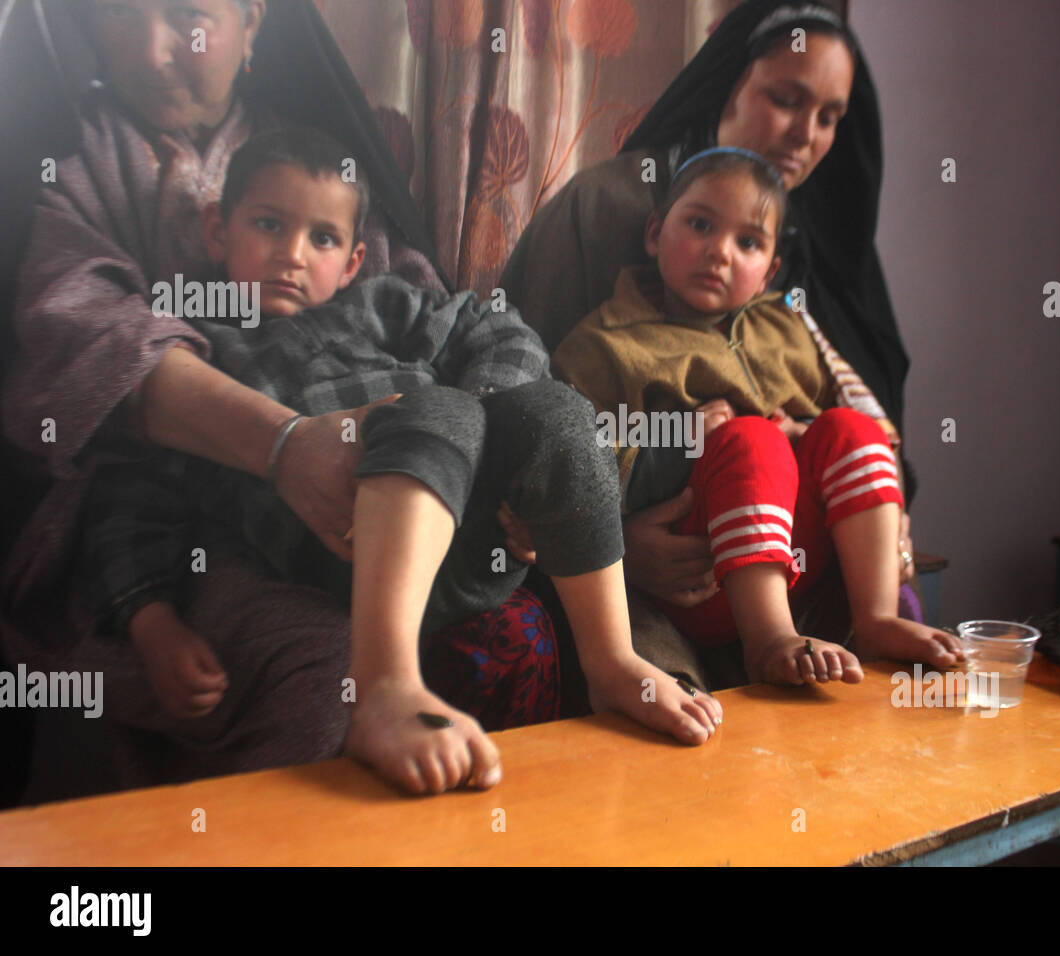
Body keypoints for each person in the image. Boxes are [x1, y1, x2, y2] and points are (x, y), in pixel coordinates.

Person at [0, 0, 556, 793]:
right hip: (194, 509)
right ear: (217, 232)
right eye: (126, 13)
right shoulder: (60, 159)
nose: (158, 49)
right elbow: (94, 345)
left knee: (517, 629)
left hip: (396, 489)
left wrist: (500, 453)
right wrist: (286, 444)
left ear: (254, 22)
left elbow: (445, 326)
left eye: (189, 16)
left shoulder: (319, 160)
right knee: (315, 667)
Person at [79, 128, 723, 793]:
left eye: (322, 238)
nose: (292, 255)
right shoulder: (203, 354)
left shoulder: (384, 306)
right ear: (218, 230)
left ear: (355, 260)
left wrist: (489, 423)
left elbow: (497, 330)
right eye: (268, 224)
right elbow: (130, 496)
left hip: (473, 537)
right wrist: (152, 622)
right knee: (421, 410)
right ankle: (388, 686)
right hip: (336, 551)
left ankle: (613, 660)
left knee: (553, 408)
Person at [500, 0, 928, 688]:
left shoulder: (822, 252)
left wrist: (884, 519)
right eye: (785, 100)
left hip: (806, 561)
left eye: (829, 118)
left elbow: (864, 428)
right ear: (730, 82)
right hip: (647, 575)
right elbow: (531, 418)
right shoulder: (604, 206)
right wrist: (614, 548)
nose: (806, 136)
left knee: (895, 681)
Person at [553, 148, 960, 684]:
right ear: (655, 233)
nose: (719, 253)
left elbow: (838, 436)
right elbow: (574, 460)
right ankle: (770, 640)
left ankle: (877, 618)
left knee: (850, 428)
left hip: (798, 554)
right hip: (695, 570)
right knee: (752, 439)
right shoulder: (604, 342)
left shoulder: (786, 327)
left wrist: (801, 430)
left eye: (747, 242)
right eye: (699, 224)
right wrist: (676, 440)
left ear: (769, 272)